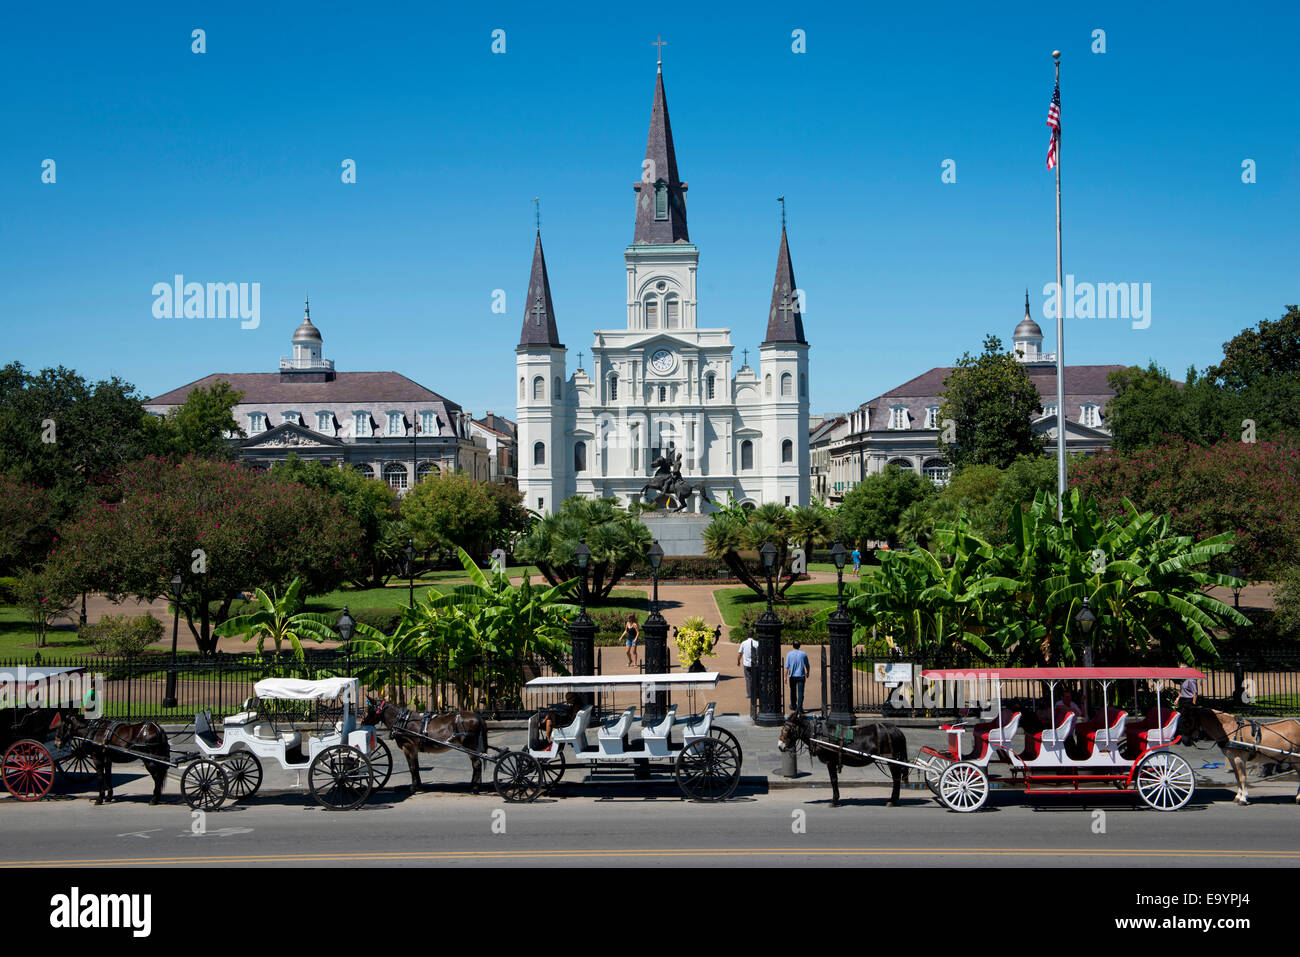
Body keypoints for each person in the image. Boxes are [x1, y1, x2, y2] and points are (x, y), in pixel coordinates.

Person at [783, 641, 810, 713]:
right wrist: (808, 672)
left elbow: (786, 667)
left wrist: (785, 677)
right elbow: (807, 665)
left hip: (792, 676)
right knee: (801, 692)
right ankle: (800, 708)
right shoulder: (803, 654)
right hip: (801, 675)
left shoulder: (789, 654)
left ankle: (793, 705)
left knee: (793, 691)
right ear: (799, 646)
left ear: (793, 646)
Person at [737, 633, 759, 701]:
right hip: (756, 664)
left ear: (747, 635)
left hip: (747, 664)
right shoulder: (757, 643)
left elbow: (740, 653)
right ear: (753, 635)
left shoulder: (744, 643)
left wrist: (738, 661)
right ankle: (756, 693)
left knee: (748, 679)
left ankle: (750, 694)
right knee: (756, 679)